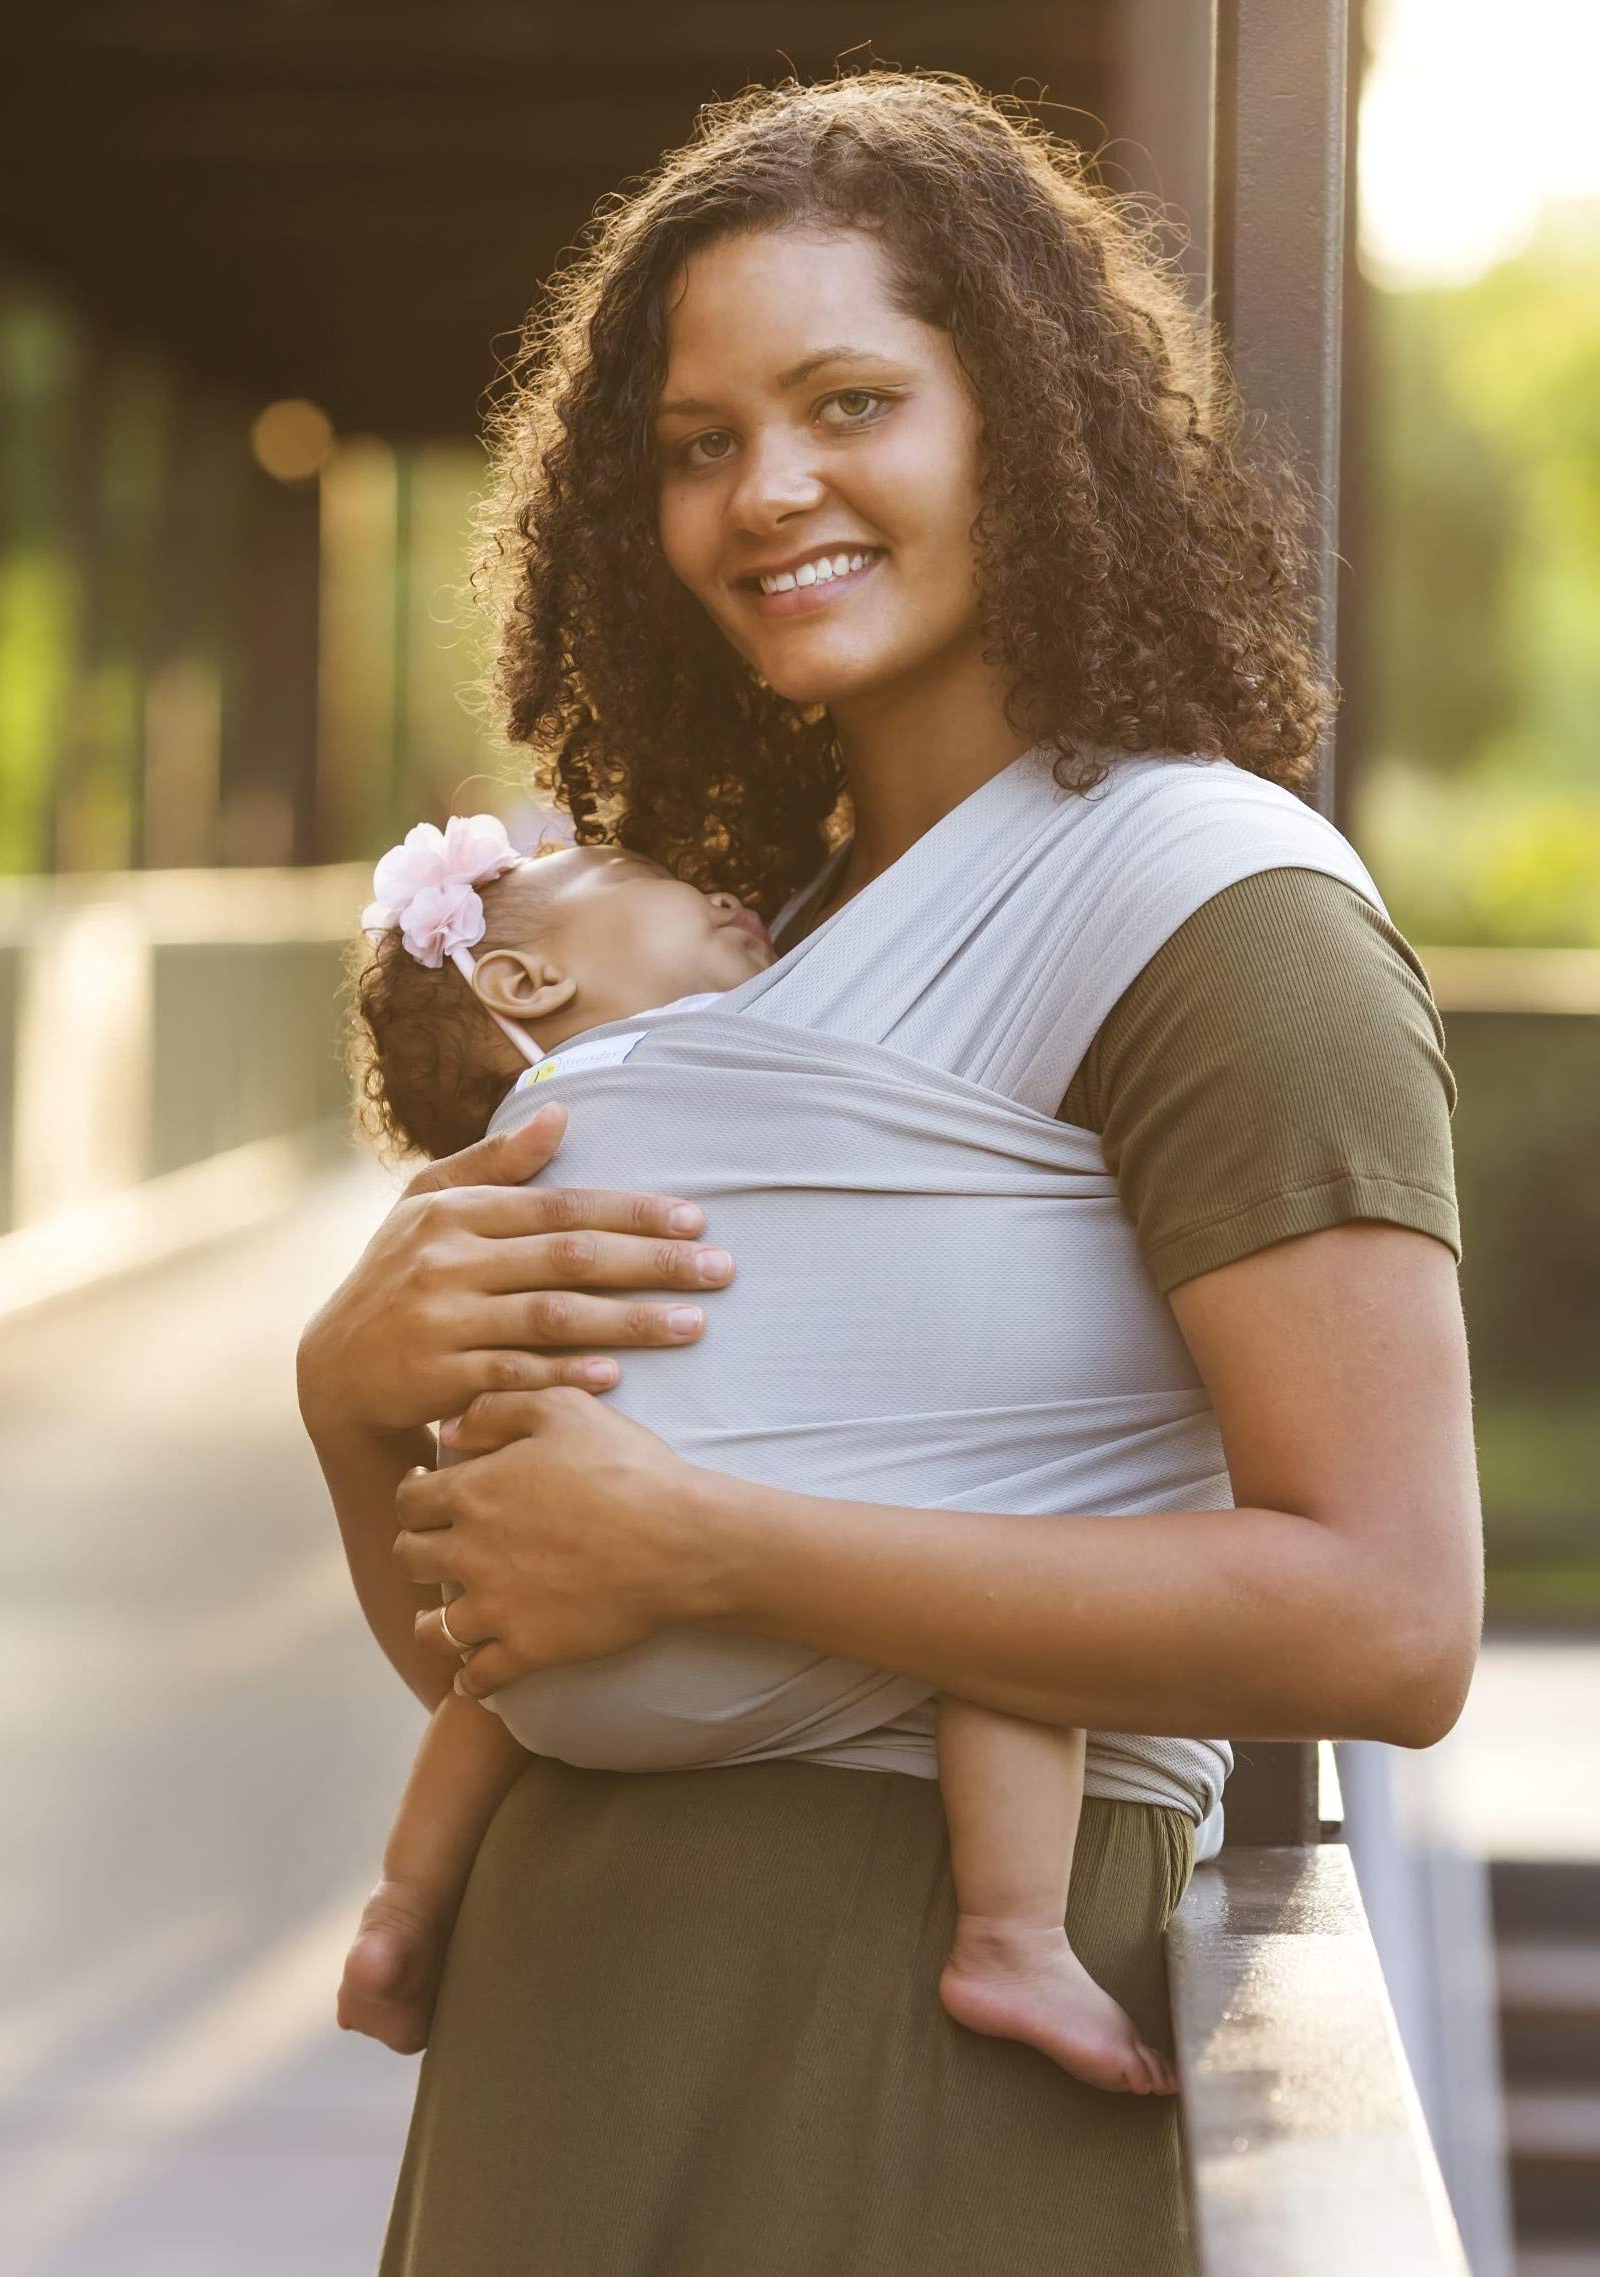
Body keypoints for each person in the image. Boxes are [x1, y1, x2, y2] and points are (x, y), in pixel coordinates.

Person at [297, 72, 1481, 2277]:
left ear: (1021, 424)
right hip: (557, 2048)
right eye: (695, 441)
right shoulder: (774, 940)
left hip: (905, 2097)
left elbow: (1391, 1618)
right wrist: (352, 1401)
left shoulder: (1213, 918)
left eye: (850, 402)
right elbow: (515, 1647)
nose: (768, 492)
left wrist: (715, 1541)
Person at [334, 806, 1191, 2096]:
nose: (722, 888)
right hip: (792, 1596)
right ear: (524, 979)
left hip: (556, 1678)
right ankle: (1012, 1937)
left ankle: (404, 1902)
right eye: (654, 878)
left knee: (481, 1674)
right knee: (1011, 1594)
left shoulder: (502, 1176)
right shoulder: (743, 1057)